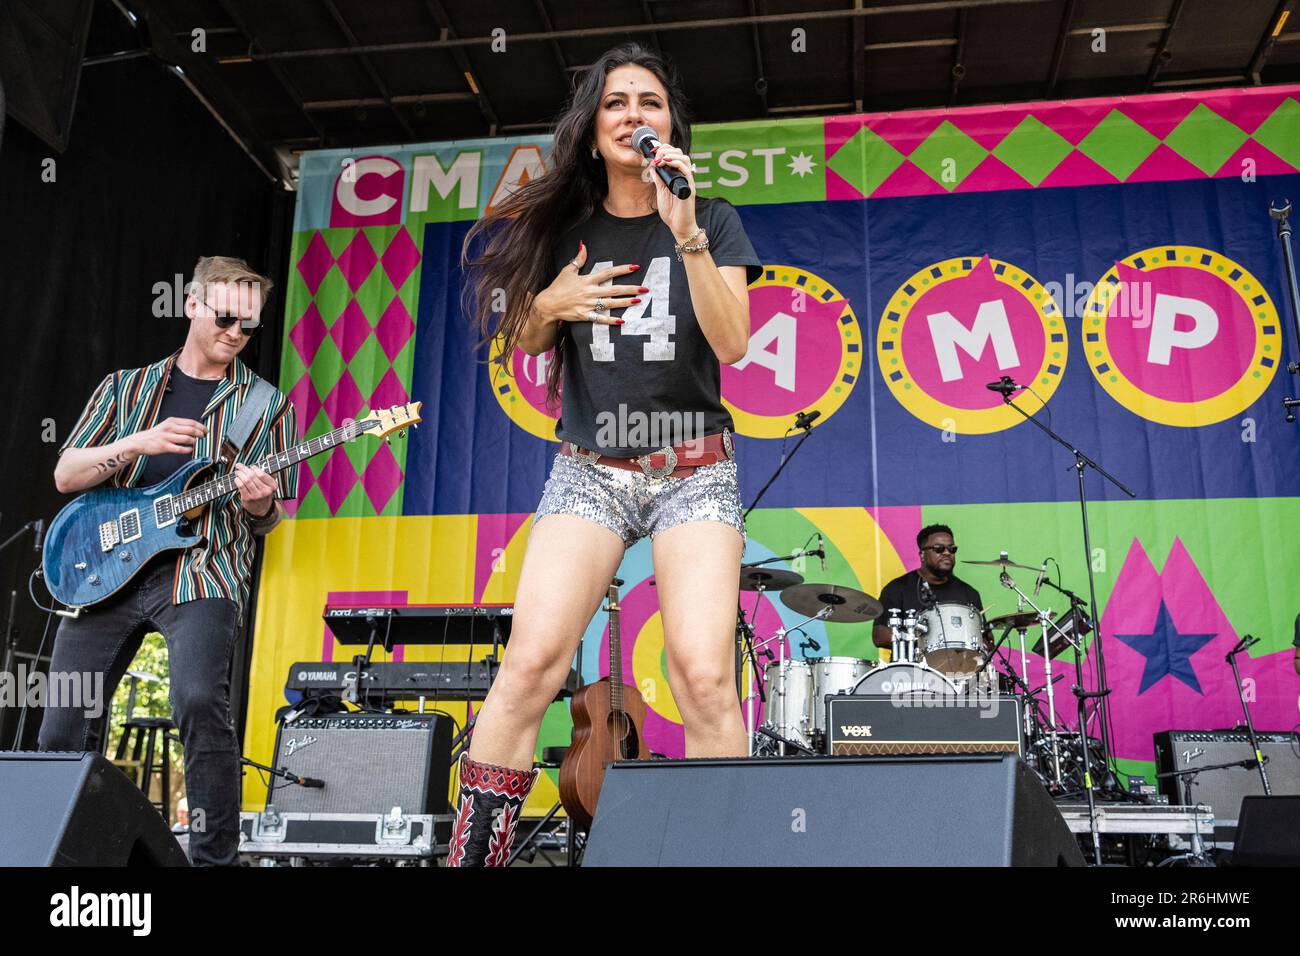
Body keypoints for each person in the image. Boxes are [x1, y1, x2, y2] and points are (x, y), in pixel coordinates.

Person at [453, 43, 762, 867]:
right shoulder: (565, 230)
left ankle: (716, 856)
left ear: (672, 127)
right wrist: (550, 302)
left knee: (703, 675)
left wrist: (687, 233)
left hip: (694, 472)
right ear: (594, 134)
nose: (635, 115)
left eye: (651, 103)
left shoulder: (714, 217)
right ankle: (473, 859)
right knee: (530, 667)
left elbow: (732, 343)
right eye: (617, 103)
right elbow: (524, 336)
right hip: (590, 470)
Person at [39, 256, 298, 866]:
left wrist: (261, 504)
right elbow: (65, 474)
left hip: (201, 570)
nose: (235, 334)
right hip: (104, 571)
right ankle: (65, 858)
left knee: (201, 701)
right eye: (226, 318)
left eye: (249, 327)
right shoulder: (125, 388)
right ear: (191, 304)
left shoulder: (265, 406)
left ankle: (214, 862)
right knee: (62, 724)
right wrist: (139, 442)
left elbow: (267, 521)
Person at [872, 524, 984, 650]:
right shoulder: (897, 588)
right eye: (939, 548)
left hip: (960, 668)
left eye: (952, 549)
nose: (947, 553)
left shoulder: (969, 593)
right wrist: (922, 639)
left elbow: (985, 638)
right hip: (911, 667)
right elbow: (879, 636)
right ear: (922, 555)